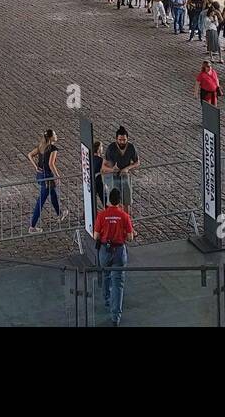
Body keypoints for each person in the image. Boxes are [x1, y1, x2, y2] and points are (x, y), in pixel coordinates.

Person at [93, 188, 134, 326]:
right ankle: (116, 316)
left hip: (105, 250)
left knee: (106, 275)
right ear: (119, 201)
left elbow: (96, 236)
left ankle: (107, 300)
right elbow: (130, 237)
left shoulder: (102, 215)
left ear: (109, 200)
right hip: (119, 251)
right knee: (118, 283)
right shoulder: (124, 216)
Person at [26, 129, 66, 233]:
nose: (56, 135)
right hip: (48, 176)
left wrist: (35, 167)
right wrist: (57, 176)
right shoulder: (53, 149)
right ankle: (32, 226)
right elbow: (51, 164)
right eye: (55, 134)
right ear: (51, 137)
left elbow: (30, 155)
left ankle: (59, 214)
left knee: (52, 194)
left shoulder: (41, 146)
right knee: (41, 201)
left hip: (40, 175)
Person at [102, 127, 139, 208]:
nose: (122, 142)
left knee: (126, 202)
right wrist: (112, 169)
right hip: (113, 178)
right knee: (115, 203)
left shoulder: (131, 147)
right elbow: (103, 167)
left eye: (124, 140)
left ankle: (126, 218)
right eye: (120, 140)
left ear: (127, 139)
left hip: (125, 177)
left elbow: (137, 162)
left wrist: (127, 168)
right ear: (116, 139)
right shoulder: (111, 148)